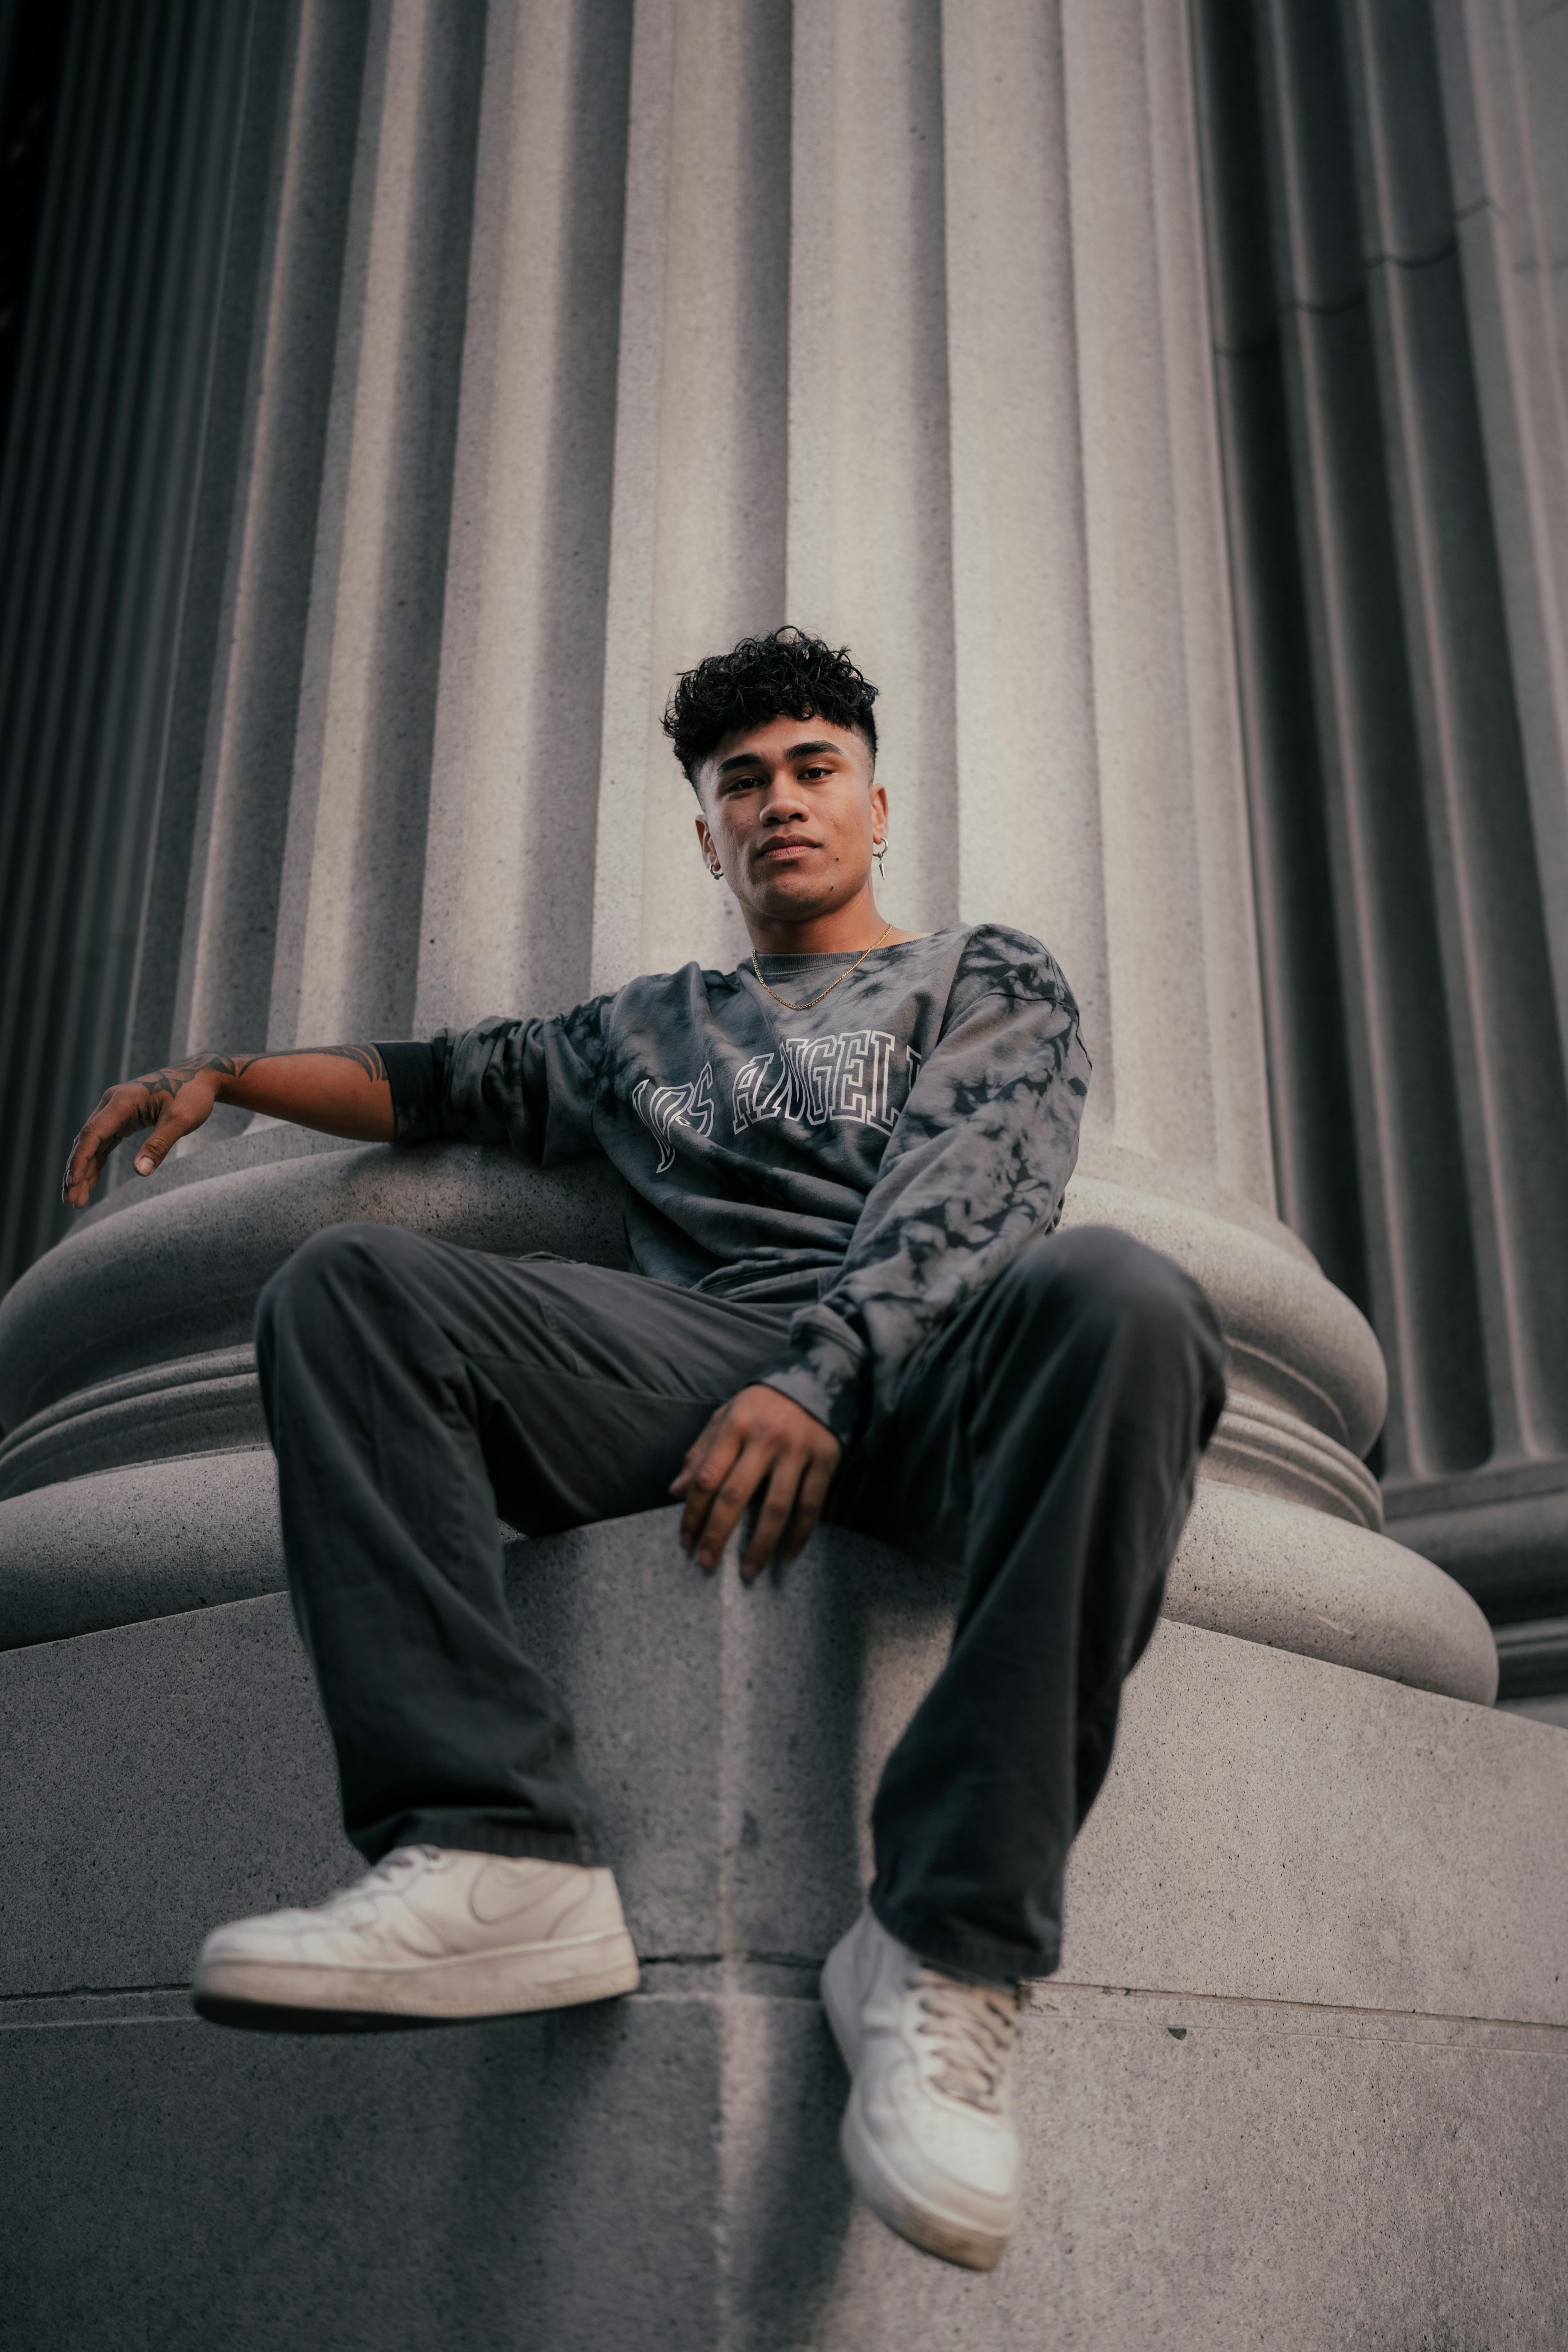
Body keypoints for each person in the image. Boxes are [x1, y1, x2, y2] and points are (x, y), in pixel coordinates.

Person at [63, 628, 1225, 2272]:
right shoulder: (645, 1033)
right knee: (349, 1287)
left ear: (875, 804)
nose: (778, 803)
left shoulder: (983, 973)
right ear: (703, 829)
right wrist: (224, 1075)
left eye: (811, 769)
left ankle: (941, 1943)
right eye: (739, 781)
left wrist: (825, 1378)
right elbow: (434, 1084)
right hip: (692, 1362)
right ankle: (489, 1848)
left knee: (1123, 1297)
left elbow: (973, 1194)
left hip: (932, 1364)